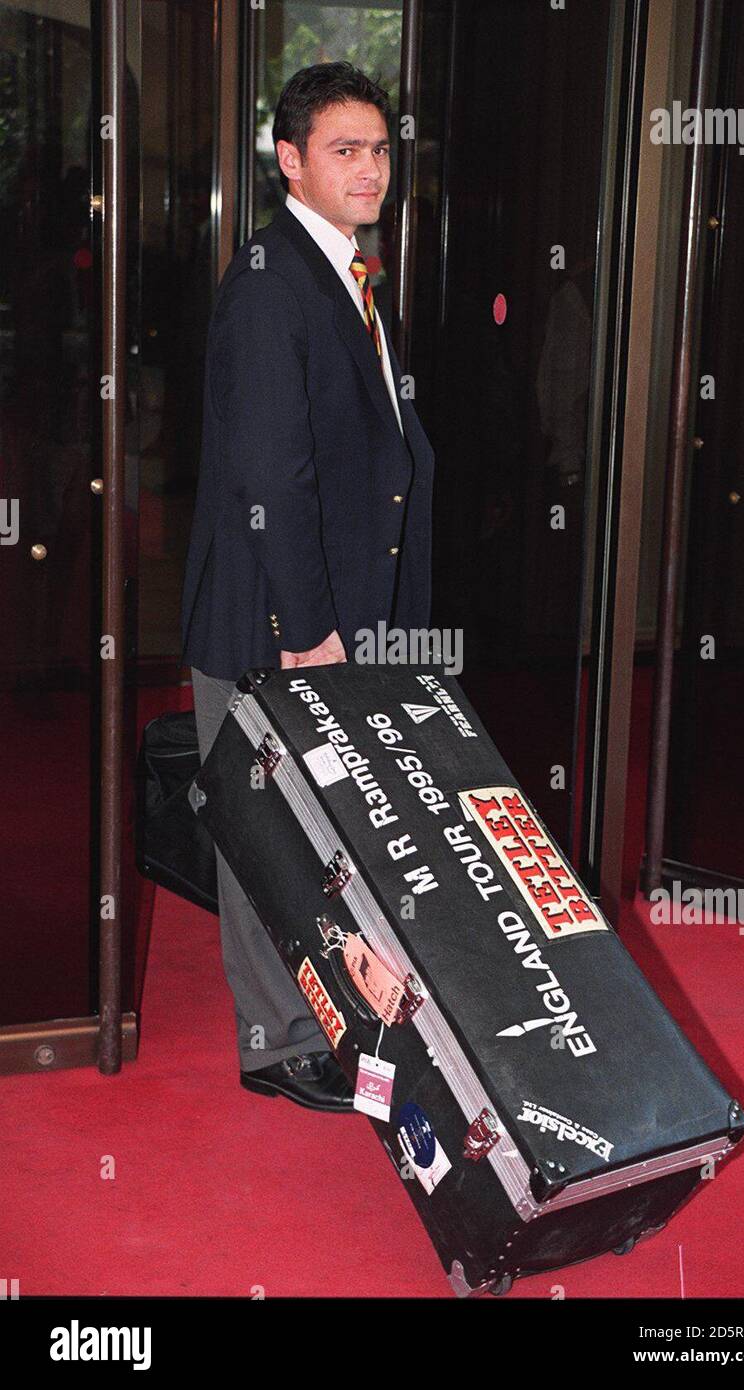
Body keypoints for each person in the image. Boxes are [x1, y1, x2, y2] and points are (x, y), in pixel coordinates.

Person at [181, 63, 435, 1112]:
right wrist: (308, 630)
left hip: (342, 610)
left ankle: (324, 1011)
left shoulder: (346, 273)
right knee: (265, 833)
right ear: (288, 161)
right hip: (273, 618)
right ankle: (276, 1038)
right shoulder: (267, 283)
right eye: (343, 149)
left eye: (377, 149)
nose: (368, 168)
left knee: (319, 824)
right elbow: (268, 477)